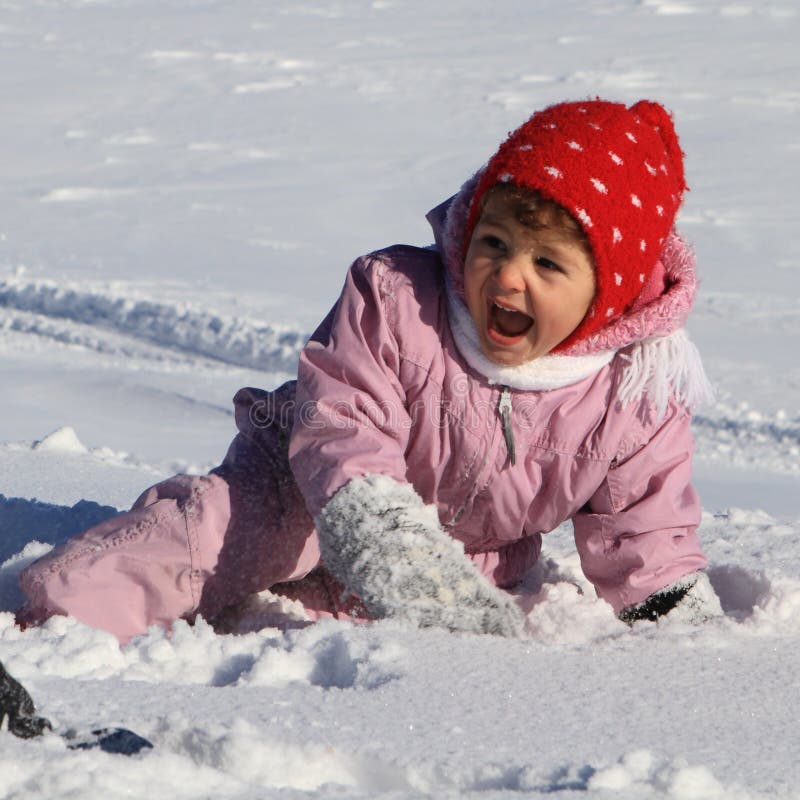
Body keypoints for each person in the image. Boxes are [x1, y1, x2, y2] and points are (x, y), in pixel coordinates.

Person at [16, 98, 723, 645]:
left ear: (608, 291)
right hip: (301, 486)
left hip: (465, 564)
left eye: (546, 263)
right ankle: (60, 620)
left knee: (367, 623)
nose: (508, 276)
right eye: (493, 242)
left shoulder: (634, 390)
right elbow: (342, 421)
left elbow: (645, 528)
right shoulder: (399, 298)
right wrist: (380, 532)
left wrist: (677, 627)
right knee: (210, 538)